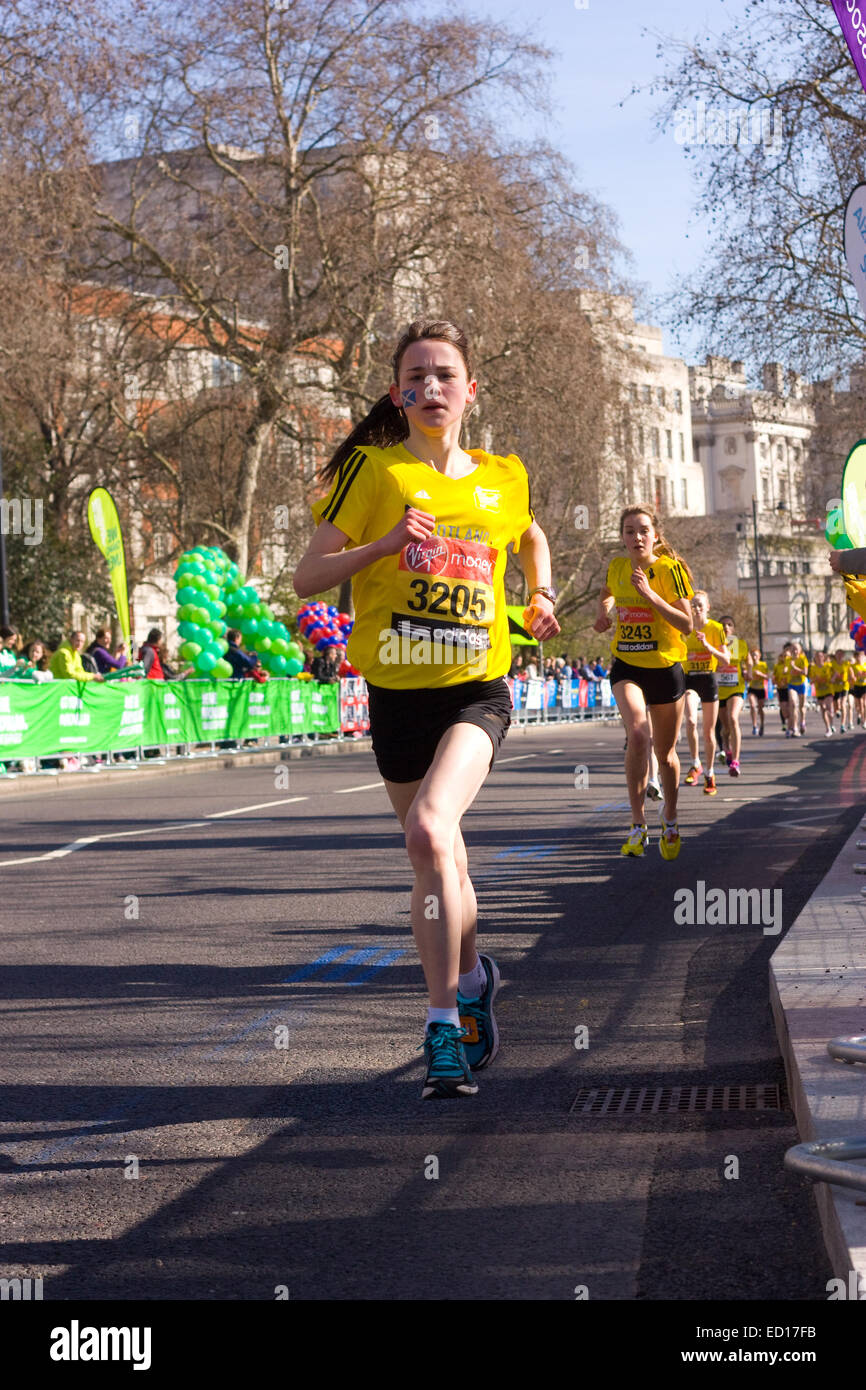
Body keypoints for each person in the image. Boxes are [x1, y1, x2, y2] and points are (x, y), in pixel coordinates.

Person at [292, 317, 559, 1101]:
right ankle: (475, 978)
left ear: (470, 391)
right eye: (418, 375)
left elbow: (532, 535)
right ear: (397, 393)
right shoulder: (376, 472)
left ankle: (442, 1025)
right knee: (442, 859)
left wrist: (538, 593)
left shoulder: (501, 477)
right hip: (396, 692)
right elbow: (307, 579)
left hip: (476, 689)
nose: (432, 386)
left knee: (430, 829)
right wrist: (379, 549)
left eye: (446, 374)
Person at [593, 504, 694, 859]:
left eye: (643, 530)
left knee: (665, 755)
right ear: (621, 537)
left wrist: (651, 597)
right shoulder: (618, 567)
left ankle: (670, 818)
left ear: (655, 535)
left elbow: (687, 624)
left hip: (665, 668)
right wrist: (602, 613)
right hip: (627, 664)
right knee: (637, 734)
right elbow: (607, 593)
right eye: (629, 531)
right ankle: (638, 824)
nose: (636, 537)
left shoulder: (670, 570)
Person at [681, 590, 729, 796]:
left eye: (700, 605)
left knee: (709, 732)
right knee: (691, 720)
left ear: (708, 607)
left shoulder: (716, 628)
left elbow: (726, 659)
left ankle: (710, 774)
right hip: (689, 678)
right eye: (693, 605)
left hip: (708, 678)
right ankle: (695, 763)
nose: (697, 608)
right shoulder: (685, 627)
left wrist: (708, 646)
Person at [716, 616, 750, 775]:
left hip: (736, 687)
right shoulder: (714, 644)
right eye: (723, 625)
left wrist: (748, 672)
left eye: (729, 624)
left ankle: (735, 762)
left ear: (733, 628)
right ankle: (725, 746)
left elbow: (748, 660)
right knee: (726, 728)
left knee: (733, 718)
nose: (726, 627)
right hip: (719, 690)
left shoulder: (739, 644)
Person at [809, 649, 835, 737]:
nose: (819, 658)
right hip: (819, 691)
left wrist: (833, 679)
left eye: (821, 656)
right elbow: (811, 681)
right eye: (817, 656)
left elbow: (836, 673)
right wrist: (816, 679)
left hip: (828, 690)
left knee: (829, 708)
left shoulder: (828, 666)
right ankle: (828, 729)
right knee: (823, 709)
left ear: (824, 657)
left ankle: (831, 724)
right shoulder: (813, 668)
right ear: (815, 658)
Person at [786, 641, 809, 738]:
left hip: (801, 684)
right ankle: (794, 728)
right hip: (791, 684)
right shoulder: (788, 660)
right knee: (793, 703)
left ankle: (802, 722)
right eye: (793, 649)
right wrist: (789, 671)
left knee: (802, 707)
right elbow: (788, 671)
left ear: (800, 651)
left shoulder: (803, 659)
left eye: (796, 649)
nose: (794, 651)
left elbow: (805, 673)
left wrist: (795, 668)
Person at [831, 648, 850, 732]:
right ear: (835, 655)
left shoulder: (846, 664)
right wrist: (832, 678)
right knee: (836, 706)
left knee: (843, 704)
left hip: (844, 686)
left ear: (843, 655)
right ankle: (837, 711)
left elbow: (851, 672)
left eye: (841, 654)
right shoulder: (832, 664)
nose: (839, 656)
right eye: (837, 654)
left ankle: (842, 725)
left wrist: (852, 677)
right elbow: (828, 673)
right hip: (835, 687)